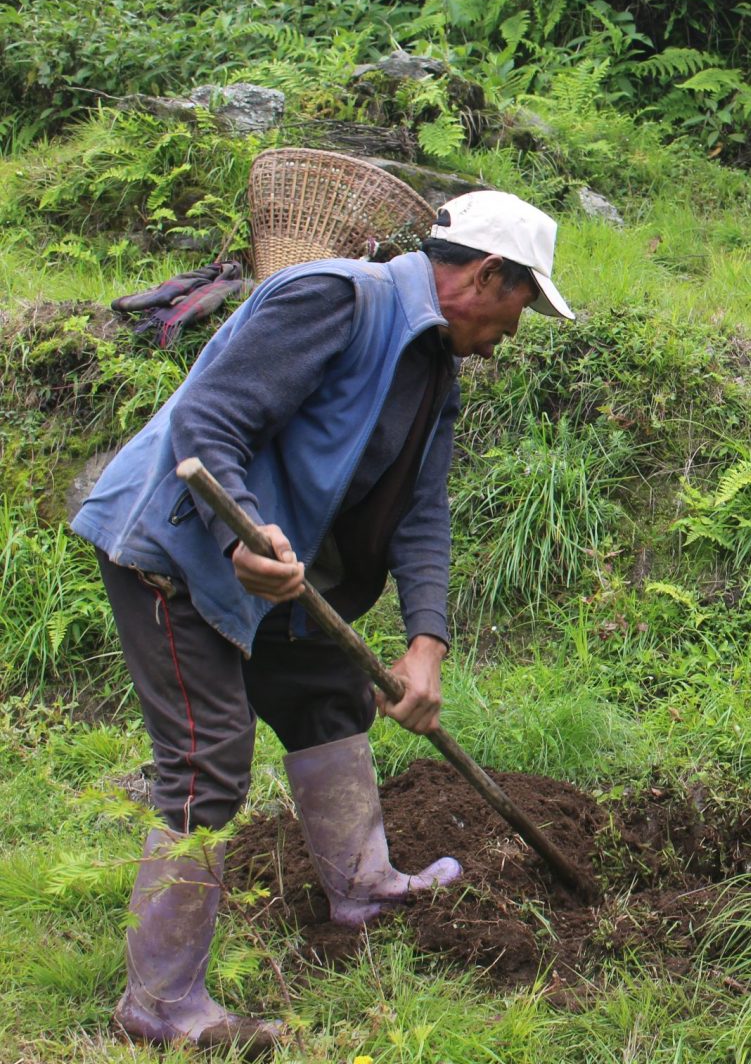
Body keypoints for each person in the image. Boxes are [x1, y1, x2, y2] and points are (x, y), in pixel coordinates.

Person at [72, 190, 574, 1052]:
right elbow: (210, 419)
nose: (512, 334)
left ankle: (363, 887)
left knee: (328, 698)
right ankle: (157, 1005)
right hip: (180, 552)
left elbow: (422, 509)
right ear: (488, 275)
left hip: (277, 574)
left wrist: (427, 643)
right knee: (208, 762)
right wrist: (248, 531)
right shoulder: (335, 298)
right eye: (521, 306)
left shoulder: (434, 370)